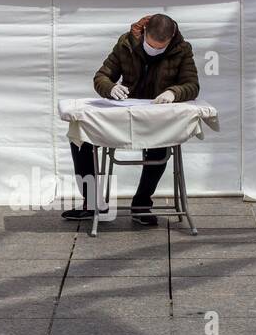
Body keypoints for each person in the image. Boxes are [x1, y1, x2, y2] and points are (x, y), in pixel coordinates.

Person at [64, 14, 200, 227]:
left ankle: (142, 204)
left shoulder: (182, 50)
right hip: (124, 112)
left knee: (162, 146)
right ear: (144, 33)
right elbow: (101, 76)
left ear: (171, 37)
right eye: (151, 45)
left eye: (160, 47)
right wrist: (110, 88)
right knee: (80, 136)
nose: (155, 50)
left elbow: (192, 85)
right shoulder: (126, 43)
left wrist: (174, 92)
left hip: (157, 116)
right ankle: (92, 203)